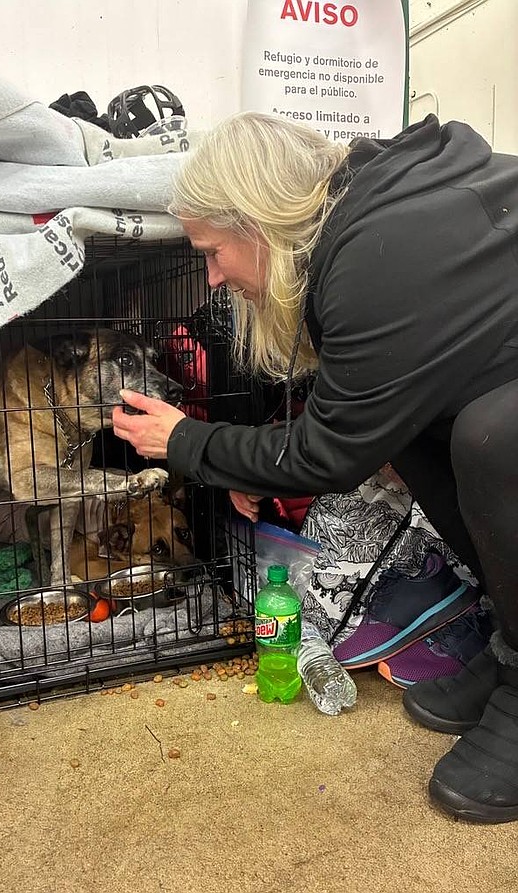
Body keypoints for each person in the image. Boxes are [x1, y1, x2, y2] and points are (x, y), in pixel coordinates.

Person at [112, 110, 518, 824]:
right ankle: (509, 635)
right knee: (420, 434)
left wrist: (186, 442)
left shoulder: (376, 257)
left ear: (257, 221)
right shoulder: (366, 220)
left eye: (211, 251)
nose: (211, 276)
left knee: (493, 436)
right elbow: (360, 428)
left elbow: (329, 453)